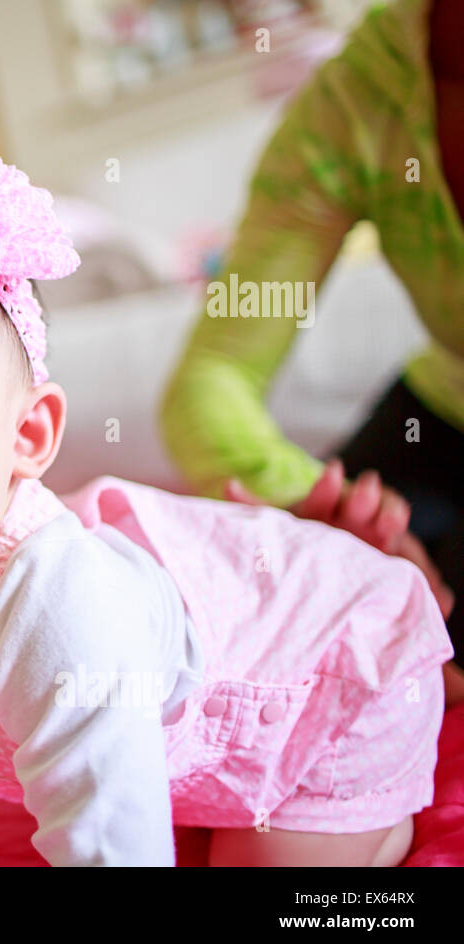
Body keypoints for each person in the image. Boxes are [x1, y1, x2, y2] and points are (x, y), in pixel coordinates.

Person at [0, 146, 453, 866]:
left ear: (27, 435)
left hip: (332, 672)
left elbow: (106, 846)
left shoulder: (54, 600)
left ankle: (388, 782)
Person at [159, 0, 464, 702]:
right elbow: (216, 372)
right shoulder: (355, 100)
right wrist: (308, 499)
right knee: (304, 602)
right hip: (439, 412)